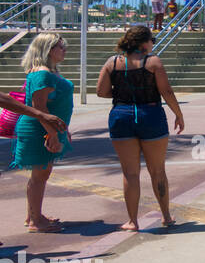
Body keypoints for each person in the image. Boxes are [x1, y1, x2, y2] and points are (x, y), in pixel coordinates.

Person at [96, 26, 185, 231]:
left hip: (121, 115)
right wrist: (178, 114)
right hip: (150, 115)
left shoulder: (112, 62)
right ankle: (166, 216)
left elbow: (101, 91)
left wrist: (123, 94)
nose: (153, 43)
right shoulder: (153, 62)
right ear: (144, 43)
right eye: (151, 40)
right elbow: (166, 91)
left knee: (130, 173)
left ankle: (132, 221)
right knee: (157, 170)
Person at [10, 32, 74, 232]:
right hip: (40, 130)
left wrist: (63, 129)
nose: (64, 50)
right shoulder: (43, 73)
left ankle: (33, 215)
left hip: (47, 128)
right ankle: (36, 220)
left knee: (41, 174)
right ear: (47, 49)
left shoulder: (48, 71)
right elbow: (40, 109)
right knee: (40, 175)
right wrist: (52, 134)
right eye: (60, 46)